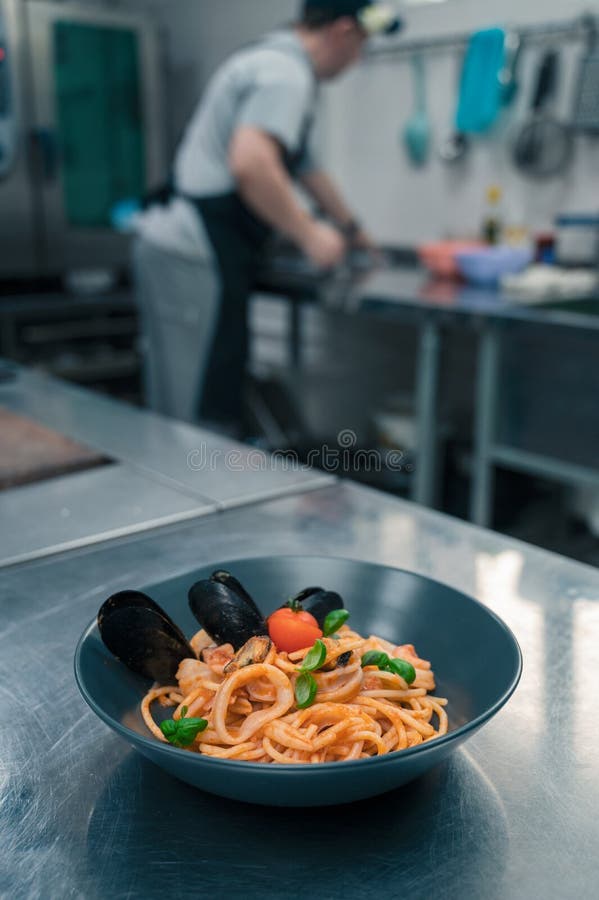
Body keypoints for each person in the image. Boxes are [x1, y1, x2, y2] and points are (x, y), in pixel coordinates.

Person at [134, 0, 402, 434]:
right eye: (362, 45)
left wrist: (353, 230)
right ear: (343, 30)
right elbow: (252, 164)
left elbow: (304, 167)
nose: (359, 59)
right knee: (194, 409)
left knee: (199, 397)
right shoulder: (285, 75)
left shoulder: (276, 62)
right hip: (193, 253)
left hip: (188, 249)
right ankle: (202, 494)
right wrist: (311, 235)